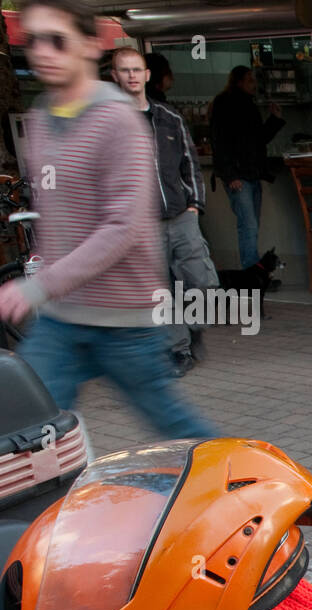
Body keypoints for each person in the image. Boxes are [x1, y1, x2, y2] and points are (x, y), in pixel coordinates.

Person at [0, 0, 216, 441]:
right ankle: (59, 505)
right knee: (29, 430)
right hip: (61, 317)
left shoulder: (117, 119)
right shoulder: (41, 117)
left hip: (124, 318)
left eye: (57, 40)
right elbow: (60, 213)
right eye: (33, 40)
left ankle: (235, 487)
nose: (43, 51)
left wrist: (38, 286)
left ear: (87, 46)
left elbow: (124, 228)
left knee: (176, 429)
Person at [111, 46, 219, 375]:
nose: (131, 75)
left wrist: (195, 206)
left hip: (181, 215)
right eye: (124, 70)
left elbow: (191, 165)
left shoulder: (169, 118)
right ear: (114, 77)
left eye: (136, 69)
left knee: (202, 283)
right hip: (143, 224)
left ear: (146, 75)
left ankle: (194, 328)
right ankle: (179, 350)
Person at [209, 65, 285, 269]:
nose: (254, 85)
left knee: (251, 225)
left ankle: (252, 271)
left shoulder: (246, 105)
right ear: (239, 82)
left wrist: (274, 119)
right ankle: (251, 273)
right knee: (249, 225)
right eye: (250, 80)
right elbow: (220, 141)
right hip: (239, 175)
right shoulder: (226, 104)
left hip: (249, 173)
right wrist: (230, 174)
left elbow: (258, 138)